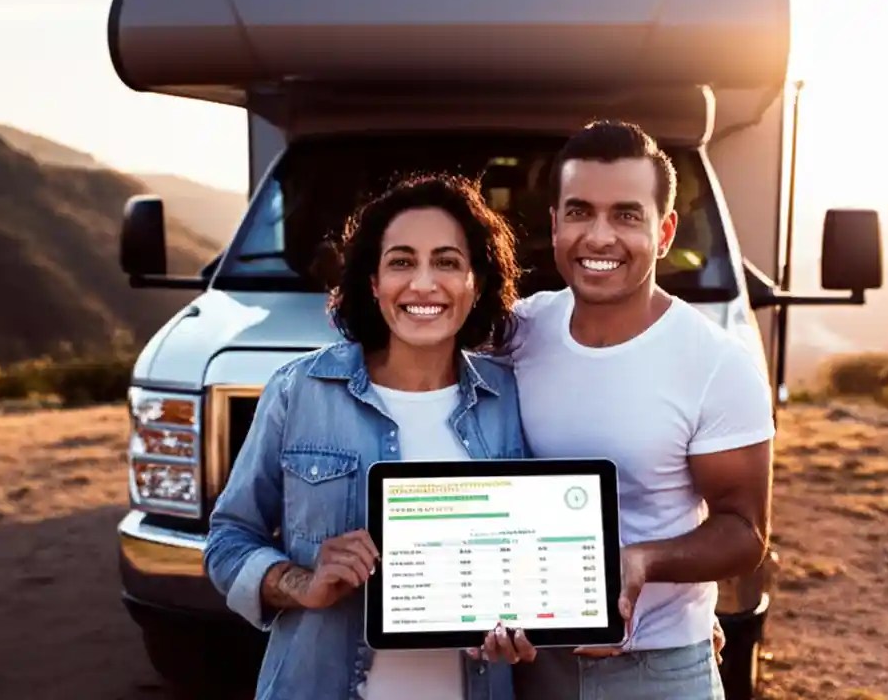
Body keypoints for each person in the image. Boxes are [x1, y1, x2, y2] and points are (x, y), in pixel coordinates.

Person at [204, 173, 538, 700]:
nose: (423, 284)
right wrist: (302, 583)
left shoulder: (513, 399)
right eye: (401, 262)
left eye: (447, 262)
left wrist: (529, 620)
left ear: (477, 282)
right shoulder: (298, 391)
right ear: (373, 283)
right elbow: (227, 540)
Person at [494, 120, 777, 699]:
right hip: (527, 669)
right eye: (579, 212)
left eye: (626, 215)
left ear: (665, 231)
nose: (599, 237)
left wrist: (644, 560)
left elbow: (746, 533)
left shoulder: (715, 361)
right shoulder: (516, 332)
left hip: (660, 670)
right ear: (554, 224)